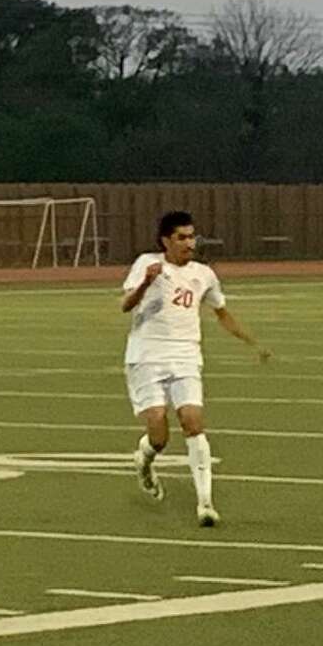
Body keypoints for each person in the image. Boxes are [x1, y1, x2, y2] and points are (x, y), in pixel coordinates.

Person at [121, 211, 271, 526]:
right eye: (182, 237)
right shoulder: (147, 264)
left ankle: (205, 504)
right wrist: (146, 282)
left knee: (193, 421)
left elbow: (221, 313)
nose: (190, 243)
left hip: (186, 356)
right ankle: (144, 459)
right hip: (147, 357)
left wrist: (251, 342)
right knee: (159, 435)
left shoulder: (204, 274)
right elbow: (126, 305)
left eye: (192, 236)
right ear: (166, 240)